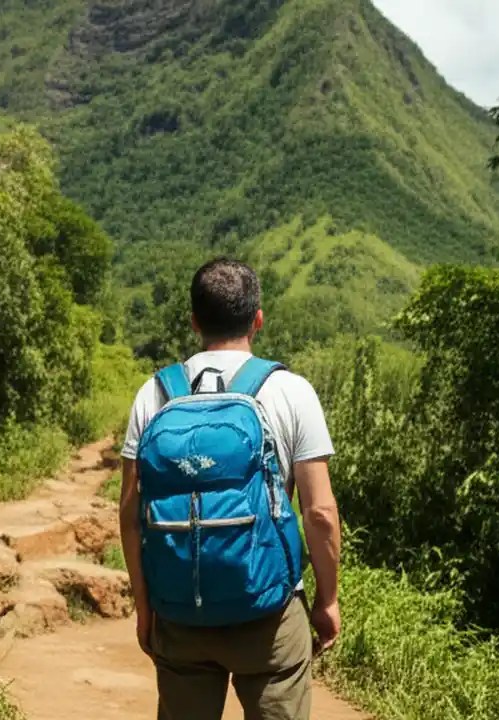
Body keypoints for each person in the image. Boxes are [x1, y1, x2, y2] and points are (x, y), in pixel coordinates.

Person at [118, 257, 342, 720]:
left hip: (180, 614)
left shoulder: (155, 394)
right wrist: (328, 600)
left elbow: (129, 514)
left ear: (194, 321)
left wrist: (145, 608)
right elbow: (320, 513)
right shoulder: (291, 391)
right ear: (257, 319)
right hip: (270, 613)